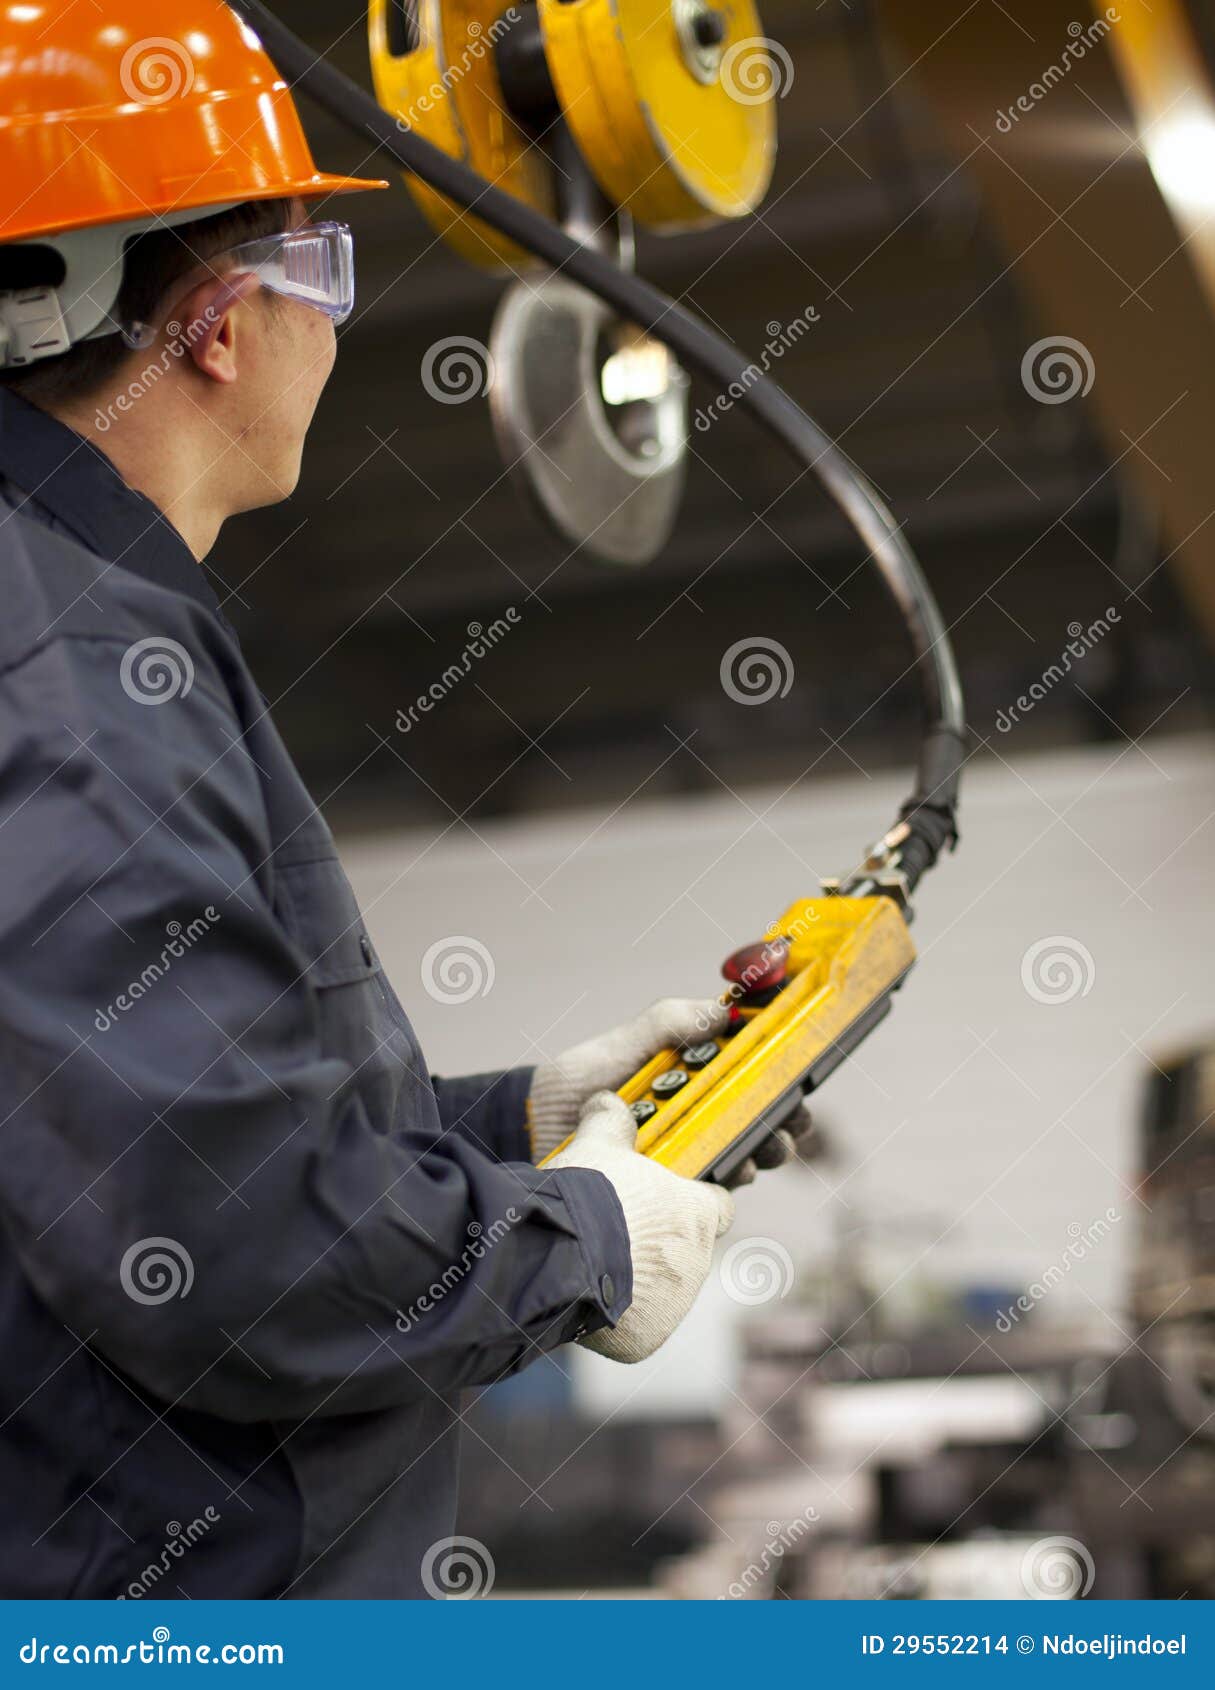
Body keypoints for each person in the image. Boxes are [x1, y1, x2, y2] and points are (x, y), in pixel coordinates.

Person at [0, 0, 803, 1599]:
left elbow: (132, 1135)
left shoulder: (71, 619)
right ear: (219, 324)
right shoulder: (78, 675)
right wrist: (580, 1243)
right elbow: (226, 1243)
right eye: (322, 271)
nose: (340, 327)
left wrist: (515, 1121)